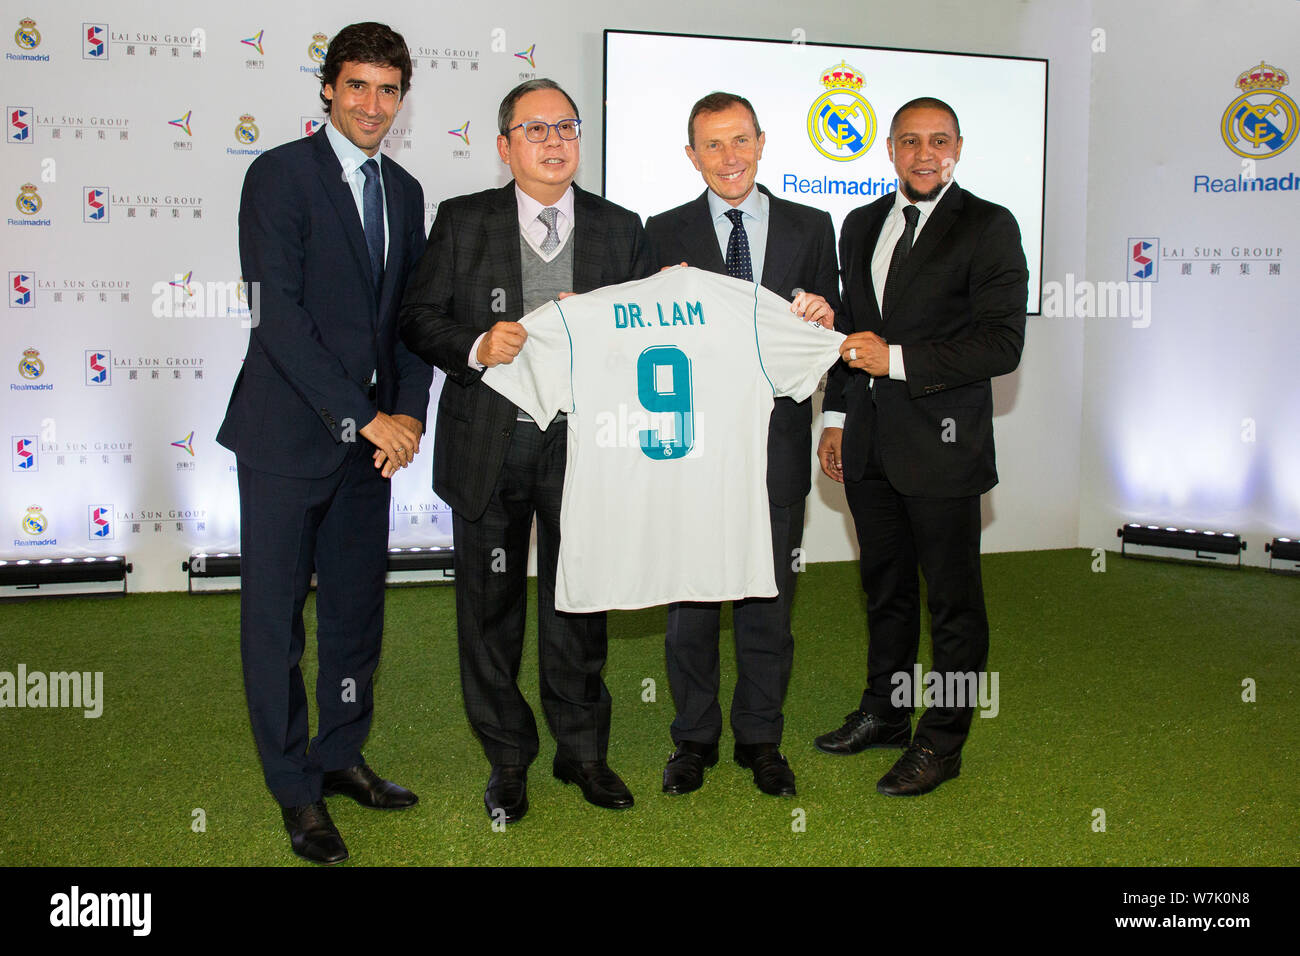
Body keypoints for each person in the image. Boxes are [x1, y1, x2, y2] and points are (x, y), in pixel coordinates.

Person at [400, 79, 650, 824]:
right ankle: (508, 758)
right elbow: (417, 319)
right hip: (491, 444)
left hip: (587, 446)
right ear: (505, 145)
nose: (553, 142)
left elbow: (643, 337)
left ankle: (583, 754)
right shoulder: (463, 220)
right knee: (490, 608)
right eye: (533, 129)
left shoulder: (619, 227)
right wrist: (476, 344)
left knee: (579, 601)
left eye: (565, 127)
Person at [217, 21, 432, 864]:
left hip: (370, 447)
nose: (373, 105)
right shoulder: (278, 176)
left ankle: (340, 756)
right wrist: (362, 415)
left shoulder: (407, 191)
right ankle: (294, 790)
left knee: (355, 614)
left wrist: (409, 414)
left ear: (401, 99)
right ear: (329, 90)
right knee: (276, 621)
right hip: (284, 439)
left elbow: (410, 319)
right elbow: (281, 319)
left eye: (387, 90)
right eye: (357, 87)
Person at [816, 97, 1027, 796]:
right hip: (870, 447)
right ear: (891, 151)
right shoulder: (862, 222)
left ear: (958, 148)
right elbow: (852, 333)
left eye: (938, 141)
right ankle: (886, 711)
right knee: (886, 592)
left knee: (953, 606)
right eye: (910, 141)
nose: (924, 153)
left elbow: (1002, 342)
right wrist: (835, 420)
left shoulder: (991, 225)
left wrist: (897, 360)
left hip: (943, 449)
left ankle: (943, 742)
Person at [644, 92, 840, 798]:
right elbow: (647, 343)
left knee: (768, 607)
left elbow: (829, 331)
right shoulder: (660, 231)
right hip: (693, 452)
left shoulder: (811, 226)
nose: (729, 158)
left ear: (762, 142)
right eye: (712, 146)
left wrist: (824, 317)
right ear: (692, 155)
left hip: (776, 449)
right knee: (690, 607)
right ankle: (692, 739)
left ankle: (761, 738)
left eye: (740, 141)